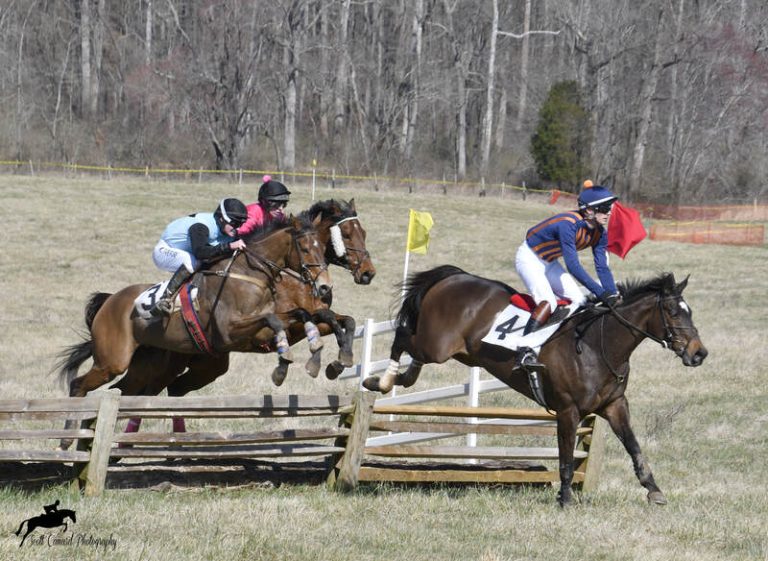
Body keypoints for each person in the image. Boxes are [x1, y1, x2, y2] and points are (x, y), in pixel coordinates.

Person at [515, 180, 620, 343]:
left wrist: (612, 293)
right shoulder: (568, 225)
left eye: (610, 208)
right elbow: (573, 266)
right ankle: (523, 348)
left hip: (550, 263)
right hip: (529, 259)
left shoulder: (601, 233)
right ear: (590, 211)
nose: (609, 213)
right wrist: (601, 293)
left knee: (579, 300)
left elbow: (602, 267)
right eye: (605, 209)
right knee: (548, 302)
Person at [149, 198, 248, 317]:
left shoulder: (228, 230)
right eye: (234, 224)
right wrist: (229, 246)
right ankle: (165, 299)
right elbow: (201, 253)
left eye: (240, 224)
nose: (237, 228)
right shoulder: (201, 226)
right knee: (192, 260)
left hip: (187, 250)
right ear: (221, 219)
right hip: (164, 251)